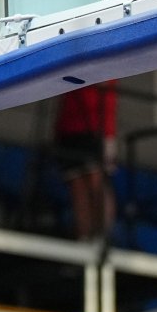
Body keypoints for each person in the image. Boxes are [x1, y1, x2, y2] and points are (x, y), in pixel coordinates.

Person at [54, 79, 117, 240]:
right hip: (69, 126)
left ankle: (102, 240)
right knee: (77, 185)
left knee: (97, 181)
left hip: (98, 127)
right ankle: (84, 239)